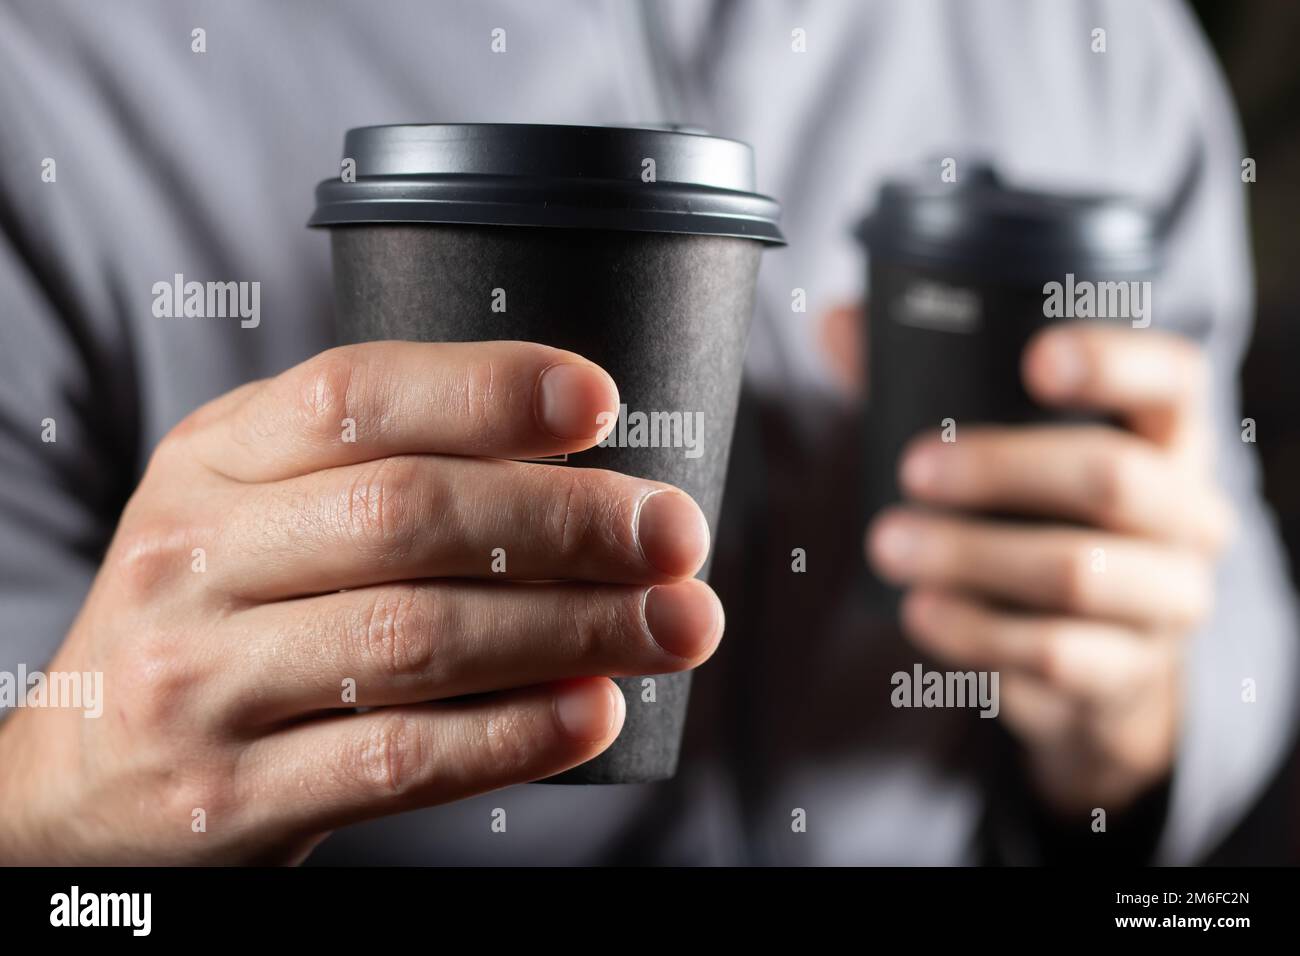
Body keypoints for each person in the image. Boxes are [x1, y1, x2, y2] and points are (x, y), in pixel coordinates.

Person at [0, 0, 1293, 865]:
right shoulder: (48, 68)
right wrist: (60, 807)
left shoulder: (1104, 40)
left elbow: (1232, 582)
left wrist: (1136, 721)